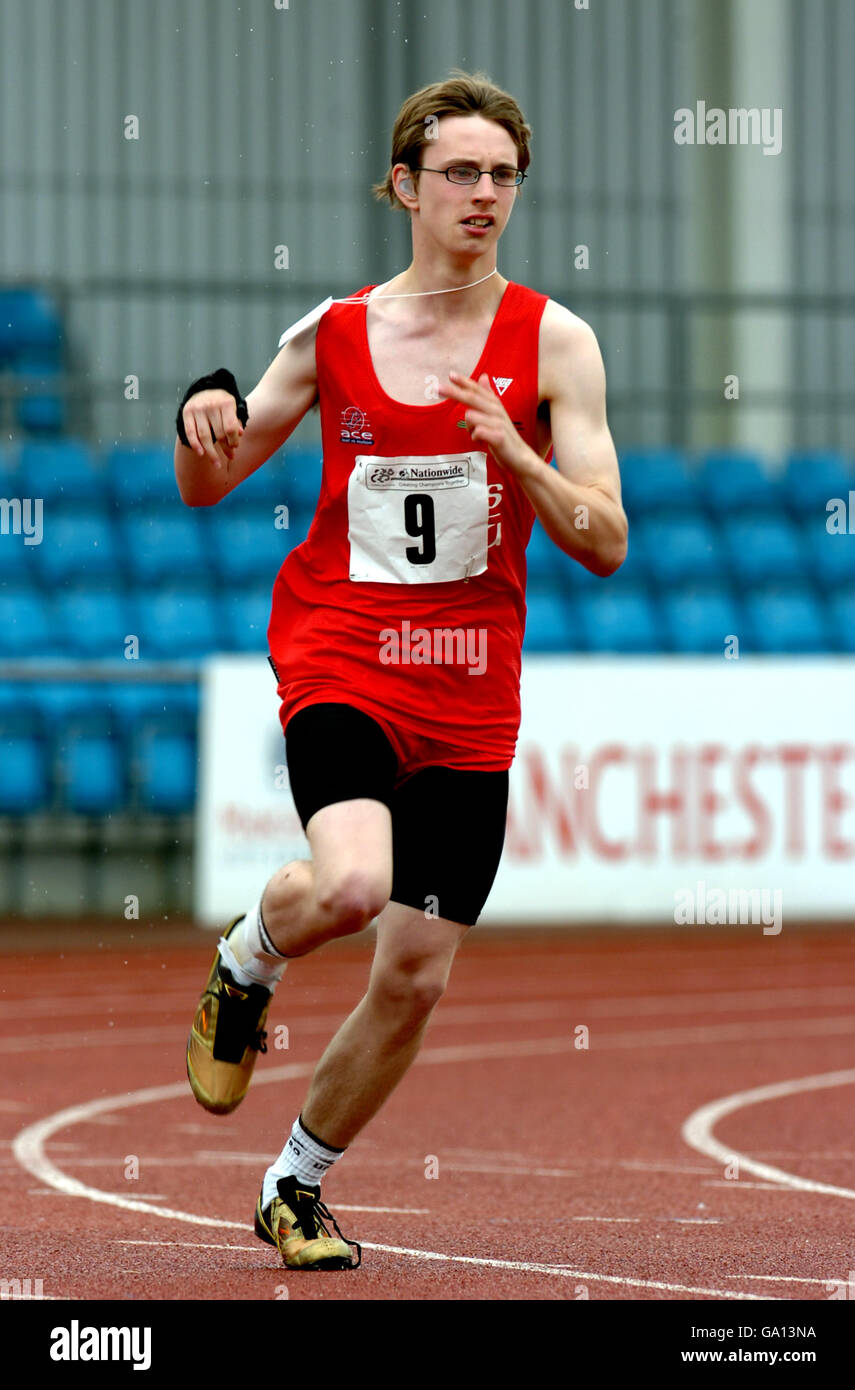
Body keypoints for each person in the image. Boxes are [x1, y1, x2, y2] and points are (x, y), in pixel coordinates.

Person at [174, 69, 627, 1273]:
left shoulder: (554, 341)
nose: (484, 195)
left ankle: (294, 1183)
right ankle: (244, 963)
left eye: (502, 176)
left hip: (472, 688)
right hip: (343, 656)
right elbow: (207, 481)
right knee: (353, 886)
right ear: (402, 186)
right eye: (460, 173)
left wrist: (514, 454)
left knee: (415, 976)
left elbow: (605, 541)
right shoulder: (332, 333)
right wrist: (199, 412)